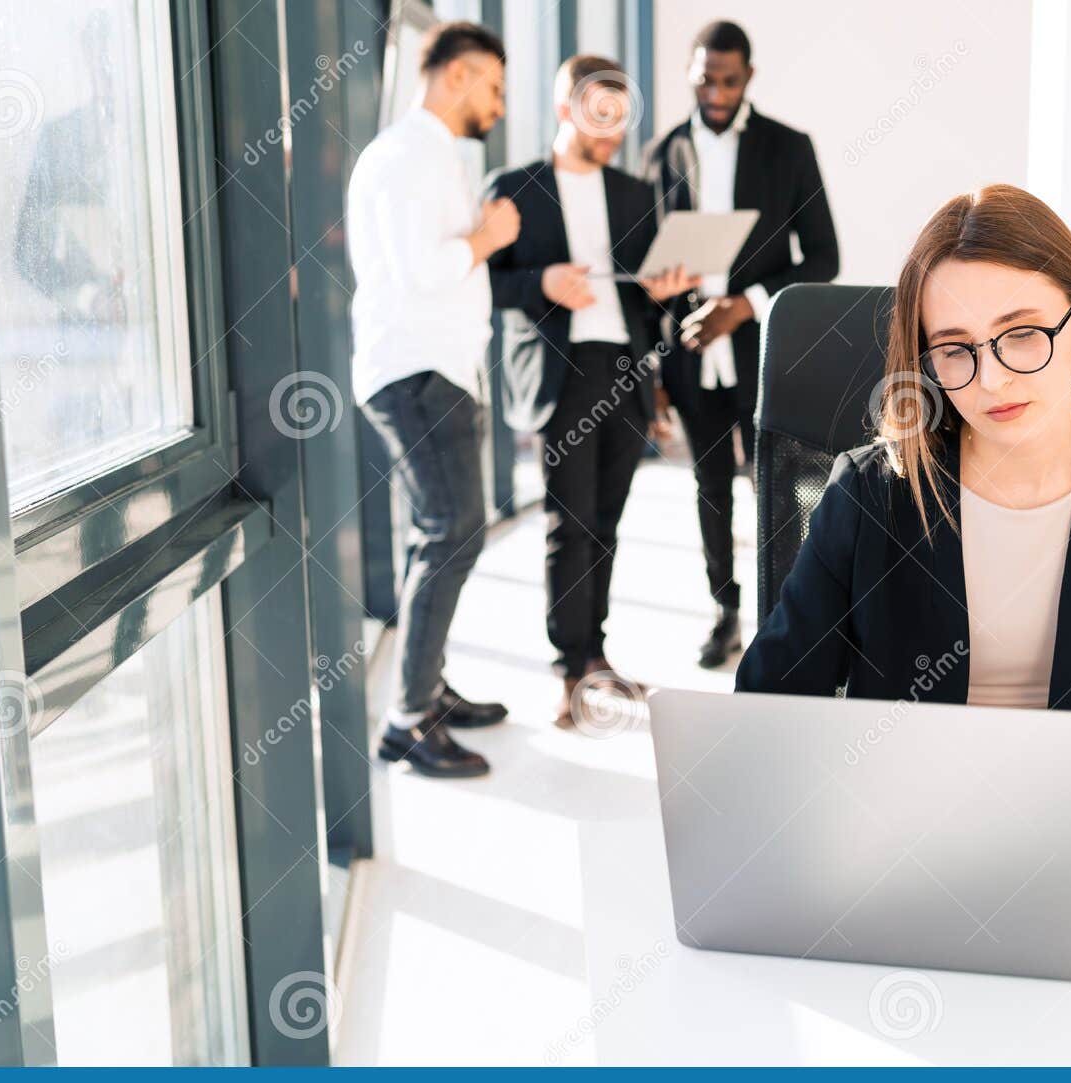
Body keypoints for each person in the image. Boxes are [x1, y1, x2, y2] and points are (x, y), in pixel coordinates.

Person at [735, 185, 1071, 818]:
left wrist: (1057, 816)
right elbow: (766, 709)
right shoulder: (871, 492)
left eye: (1020, 334)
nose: (992, 378)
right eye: (953, 348)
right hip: (902, 838)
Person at [485, 56, 697, 727]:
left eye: (618, 123)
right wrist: (542, 281)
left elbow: (649, 296)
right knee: (568, 527)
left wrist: (669, 291)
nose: (610, 137)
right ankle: (568, 668)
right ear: (565, 109)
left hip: (627, 374)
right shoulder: (514, 188)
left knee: (605, 526)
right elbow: (486, 281)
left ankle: (595, 654)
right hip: (563, 373)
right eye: (598, 120)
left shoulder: (635, 194)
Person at [348, 22, 521, 777]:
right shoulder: (406, 156)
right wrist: (490, 235)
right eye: (494, 86)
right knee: (450, 529)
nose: (499, 103)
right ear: (458, 74)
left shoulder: (431, 156)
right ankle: (409, 720)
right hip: (417, 373)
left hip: (439, 368)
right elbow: (422, 270)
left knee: (447, 531)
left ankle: (426, 687)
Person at [642, 20, 839, 668]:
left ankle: (784, 613)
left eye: (729, 80)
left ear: (748, 77)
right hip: (690, 353)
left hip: (766, 350)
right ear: (691, 75)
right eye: (706, 80)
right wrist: (657, 364)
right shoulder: (662, 152)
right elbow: (647, 268)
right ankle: (724, 607)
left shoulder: (789, 147)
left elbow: (825, 256)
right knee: (707, 485)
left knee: (777, 484)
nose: (717, 92)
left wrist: (744, 306)